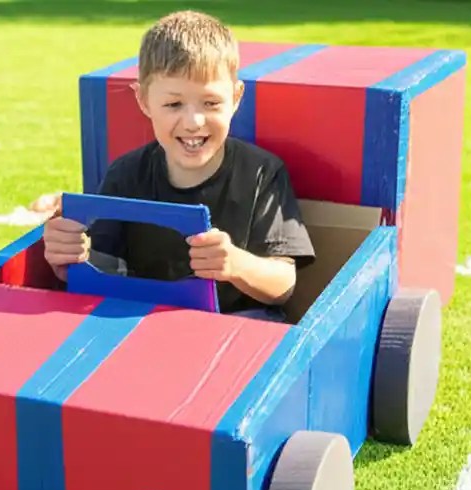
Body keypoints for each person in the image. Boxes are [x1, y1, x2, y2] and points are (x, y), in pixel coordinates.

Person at [41, 10, 314, 320]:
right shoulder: (126, 173)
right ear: (144, 100)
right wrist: (70, 261)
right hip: (144, 321)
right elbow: (105, 269)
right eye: (173, 104)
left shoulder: (262, 173)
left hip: (240, 323)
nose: (194, 122)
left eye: (211, 103)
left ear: (236, 97)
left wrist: (235, 264)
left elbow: (284, 284)